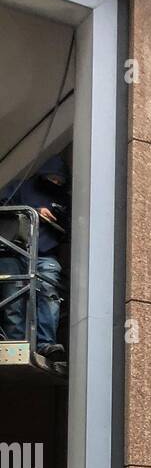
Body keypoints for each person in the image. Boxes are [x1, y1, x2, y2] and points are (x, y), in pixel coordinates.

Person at [0, 154, 70, 362]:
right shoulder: (19, 187)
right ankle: (15, 340)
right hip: (13, 250)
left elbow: (73, 226)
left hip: (45, 252)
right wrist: (35, 212)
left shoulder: (64, 199)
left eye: (59, 181)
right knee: (14, 293)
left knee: (49, 293)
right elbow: (4, 207)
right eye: (52, 179)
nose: (55, 183)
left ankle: (45, 343)